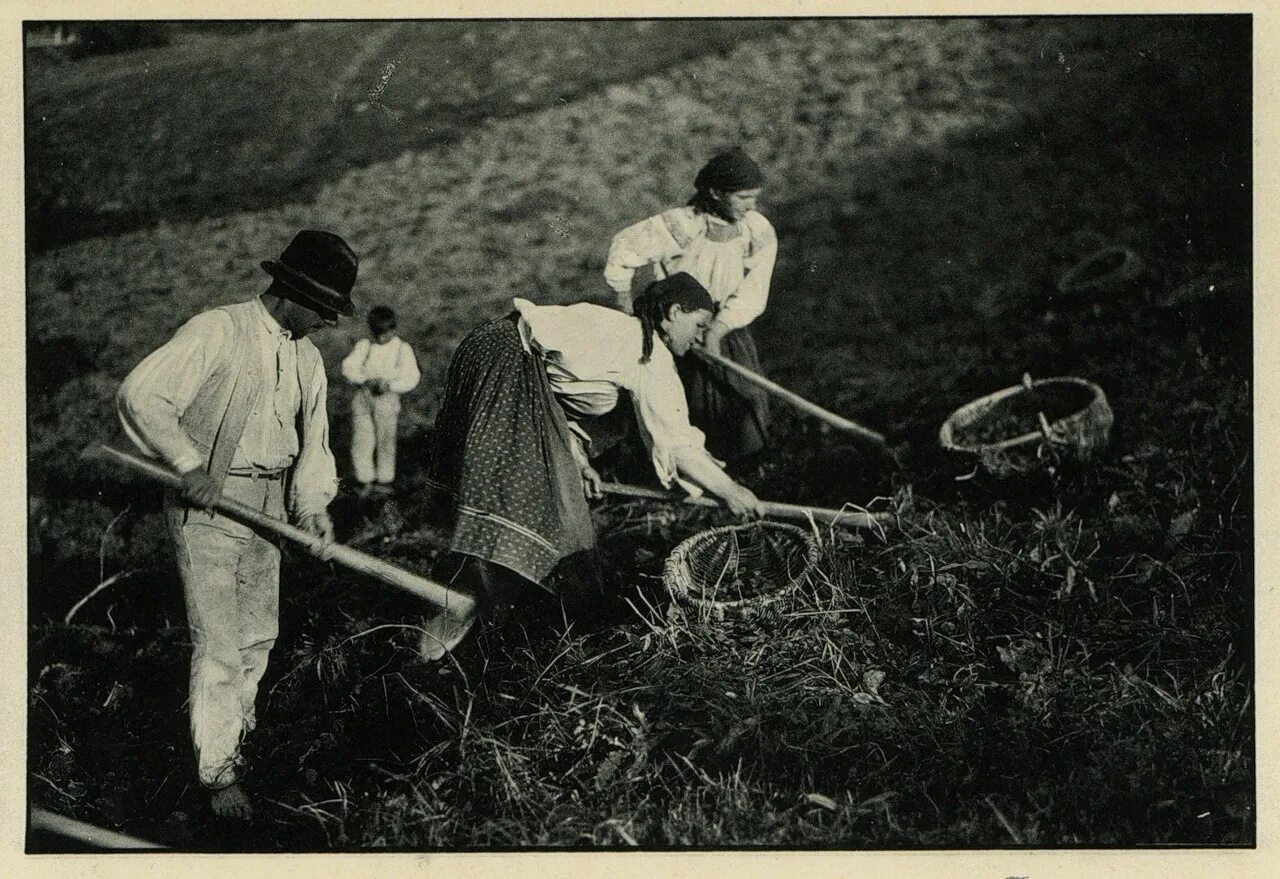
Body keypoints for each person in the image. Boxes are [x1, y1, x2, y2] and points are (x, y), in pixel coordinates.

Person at [116, 229, 357, 822]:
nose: (326, 321)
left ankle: (238, 744)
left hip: (270, 506)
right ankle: (217, 778)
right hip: (212, 504)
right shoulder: (218, 330)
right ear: (290, 290)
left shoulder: (306, 357)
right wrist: (189, 465)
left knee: (259, 635)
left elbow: (315, 447)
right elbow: (142, 396)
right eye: (322, 307)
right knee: (220, 643)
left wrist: (313, 510)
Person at [419, 272, 762, 658]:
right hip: (508, 366)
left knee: (516, 497)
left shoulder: (621, 330)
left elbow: (555, 391)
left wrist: (579, 460)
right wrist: (731, 490)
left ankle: (475, 611)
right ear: (672, 313)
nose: (700, 338)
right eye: (698, 325)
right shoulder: (649, 356)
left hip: (487, 349)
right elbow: (678, 446)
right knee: (545, 508)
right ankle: (521, 619)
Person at [604, 147, 778, 465]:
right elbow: (624, 248)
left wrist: (717, 329)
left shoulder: (757, 231)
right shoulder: (681, 225)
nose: (752, 206)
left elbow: (754, 290)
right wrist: (625, 307)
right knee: (680, 403)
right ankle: (687, 472)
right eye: (743, 198)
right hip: (676, 325)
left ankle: (747, 472)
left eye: (755, 197)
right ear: (715, 192)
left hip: (726, 326)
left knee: (745, 397)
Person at [340, 305, 421, 494]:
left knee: (386, 439)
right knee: (362, 438)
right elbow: (348, 367)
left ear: (394, 329)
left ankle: (384, 480)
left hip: (387, 399)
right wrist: (364, 379)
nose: (381, 338)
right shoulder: (365, 345)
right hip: (364, 397)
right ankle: (364, 478)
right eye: (377, 333)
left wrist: (391, 385)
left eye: (385, 333)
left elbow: (412, 376)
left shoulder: (402, 348)